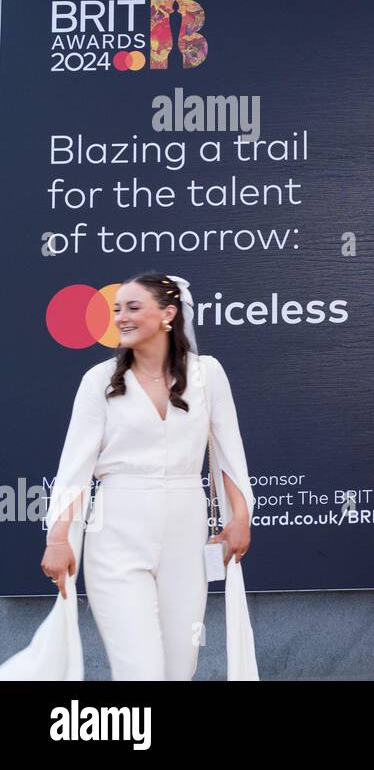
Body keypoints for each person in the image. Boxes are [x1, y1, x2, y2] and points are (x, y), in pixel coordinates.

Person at [0, 273, 258, 681]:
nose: (121, 317)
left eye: (133, 307)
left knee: (179, 667)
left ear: (168, 314)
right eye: (117, 309)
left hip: (186, 537)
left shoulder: (208, 374)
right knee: (139, 670)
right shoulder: (98, 381)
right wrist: (57, 537)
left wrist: (239, 517)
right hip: (116, 536)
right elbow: (75, 467)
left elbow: (229, 453)